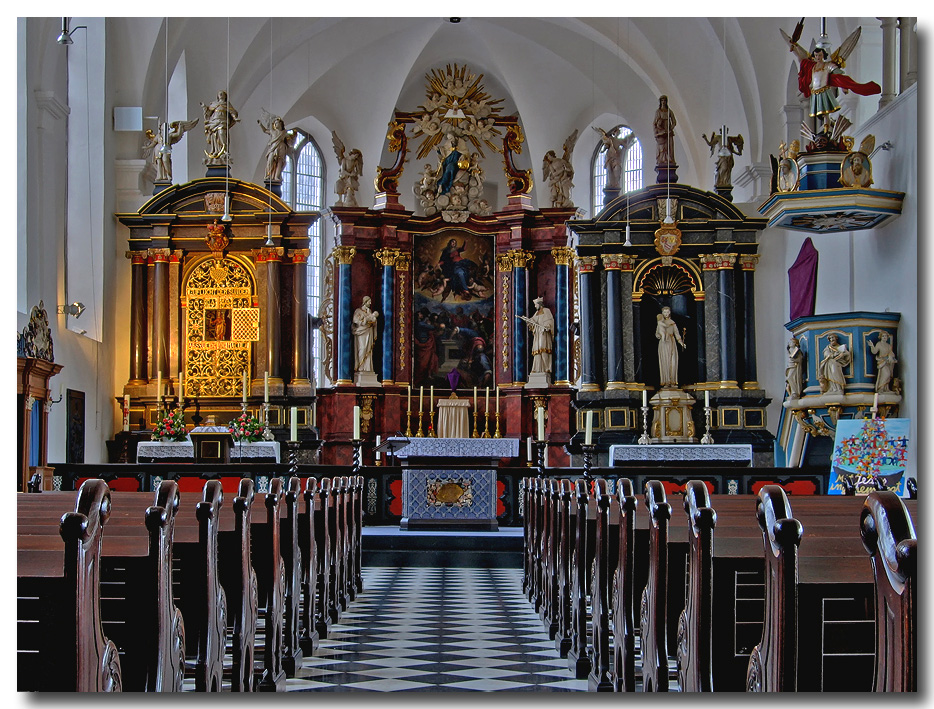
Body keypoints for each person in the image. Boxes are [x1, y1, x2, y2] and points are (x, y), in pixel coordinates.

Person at [200, 90, 240, 164]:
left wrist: (235, 118)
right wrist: (204, 107)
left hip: (222, 122)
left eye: (222, 94)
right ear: (217, 96)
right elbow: (208, 113)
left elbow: (232, 112)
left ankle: (224, 151)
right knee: (214, 137)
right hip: (214, 121)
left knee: (221, 133)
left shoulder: (227, 104)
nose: (221, 94)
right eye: (219, 94)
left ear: (225, 96)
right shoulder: (214, 104)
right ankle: (216, 151)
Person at [594, 126, 635, 191]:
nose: (618, 133)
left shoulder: (619, 140)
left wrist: (632, 143)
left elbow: (626, 146)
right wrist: (603, 150)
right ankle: (610, 183)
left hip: (616, 156)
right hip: (610, 156)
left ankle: (616, 183)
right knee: (609, 170)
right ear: (614, 133)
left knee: (617, 169)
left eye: (619, 132)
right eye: (617, 132)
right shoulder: (610, 139)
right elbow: (606, 145)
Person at [258, 110, 291, 182]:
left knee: (280, 161)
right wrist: (260, 124)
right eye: (275, 123)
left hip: (281, 146)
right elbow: (265, 130)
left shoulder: (284, 132)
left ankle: (276, 176)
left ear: (281, 124)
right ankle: (268, 175)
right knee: (270, 161)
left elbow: (289, 140)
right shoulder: (273, 131)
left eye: (277, 123)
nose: (276, 124)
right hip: (273, 147)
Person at [656, 306, 685, 388]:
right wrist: (659, 336)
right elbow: (657, 333)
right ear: (662, 313)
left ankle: (673, 381)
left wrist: (681, 342)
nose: (666, 314)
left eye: (667, 312)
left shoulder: (672, 323)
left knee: (673, 362)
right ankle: (666, 381)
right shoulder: (660, 322)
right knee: (665, 362)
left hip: (671, 343)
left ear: (670, 313)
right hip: (663, 344)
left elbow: (677, 334)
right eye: (664, 312)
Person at [525, 297, 555, 375]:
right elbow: (532, 321)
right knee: (537, 351)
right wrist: (527, 320)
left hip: (544, 334)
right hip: (538, 334)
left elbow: (550, 321)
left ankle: (546, 368)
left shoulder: (546, 311)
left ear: (539, 304)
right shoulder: (536, 313)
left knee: (543, 349)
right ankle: (537, 369)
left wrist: (547, 326)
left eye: (535, 305)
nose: (535, 306)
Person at [352, 296, 379, 374]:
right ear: (365, 302)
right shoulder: (358, 311)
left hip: (369, 331)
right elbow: (355, 320)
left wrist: (373, 321)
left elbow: (373, 321)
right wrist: (365, 320)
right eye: (369, 301)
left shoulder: (369, 311)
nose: (370, 303)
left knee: (368, 349)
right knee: (362, 348)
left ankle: (367, 368)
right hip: (361, 332)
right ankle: (360, 367)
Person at [653, 96, 677, 167]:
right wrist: (658, 132)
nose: (663, 102)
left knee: (669, 147)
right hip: (662, 133)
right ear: (660, 102)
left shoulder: (669, 111)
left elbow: (674, 122)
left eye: (664, 100)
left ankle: (669, 159)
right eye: (662, 100)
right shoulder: (658, 112)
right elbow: (655, 123)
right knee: (663, 147)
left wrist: (670, 129)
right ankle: (662, 159)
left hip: (668, 132)